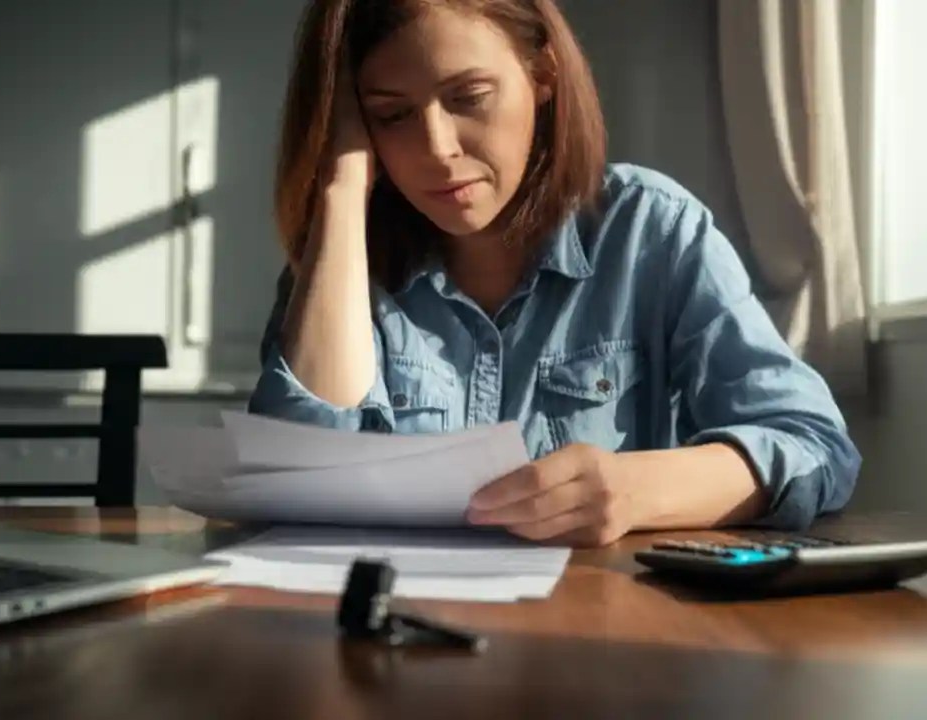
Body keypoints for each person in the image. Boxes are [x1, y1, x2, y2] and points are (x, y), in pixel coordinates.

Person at [248, 0, 860, 546]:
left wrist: (633, 489)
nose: (436, 147)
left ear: (542, 77)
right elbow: (291, 478)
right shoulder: (342, 262)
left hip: (601, 639)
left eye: (468, 98)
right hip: (393, 641)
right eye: (391, 115)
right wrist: (340, 187)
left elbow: (813, 449)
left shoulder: (649, 231)